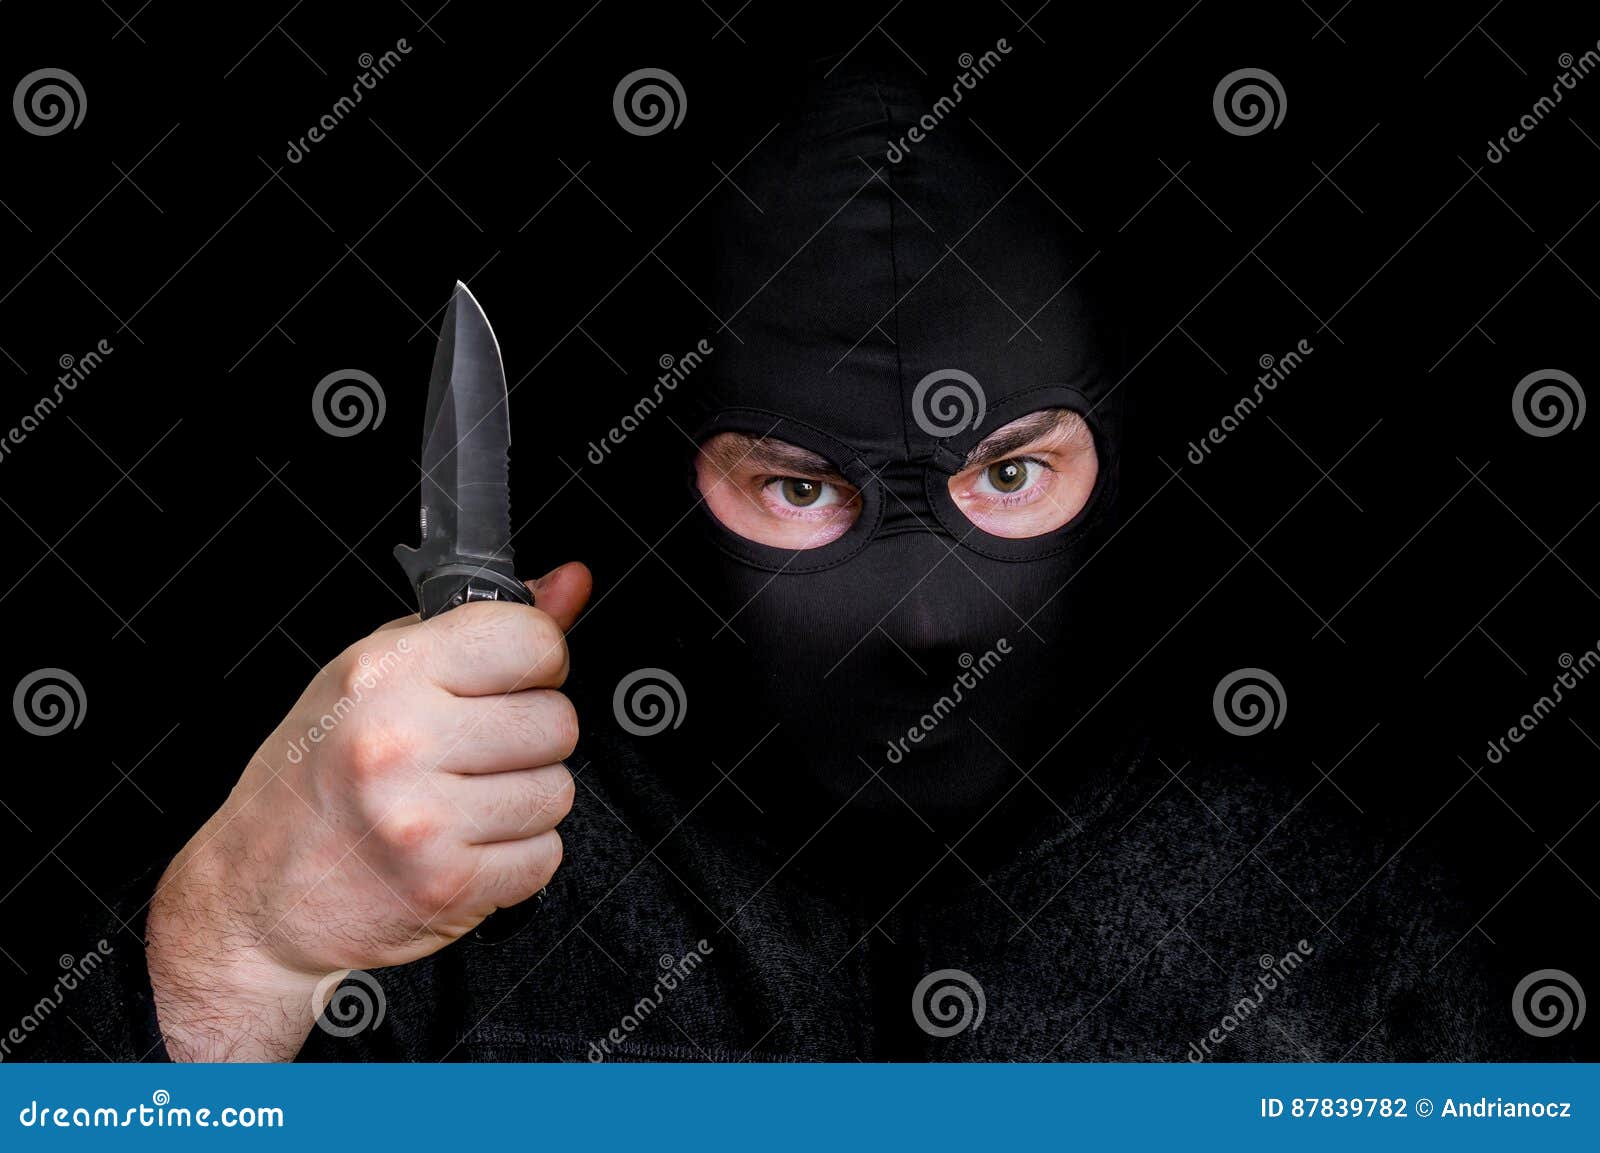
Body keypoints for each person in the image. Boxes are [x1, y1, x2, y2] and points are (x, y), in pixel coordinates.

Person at [34, 65, 1504, 1063]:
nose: (927, 620)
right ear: (682, 467)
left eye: (1010, 472)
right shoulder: (428, 879)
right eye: (798, 486)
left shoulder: (1343, 926)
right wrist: (233, 947)